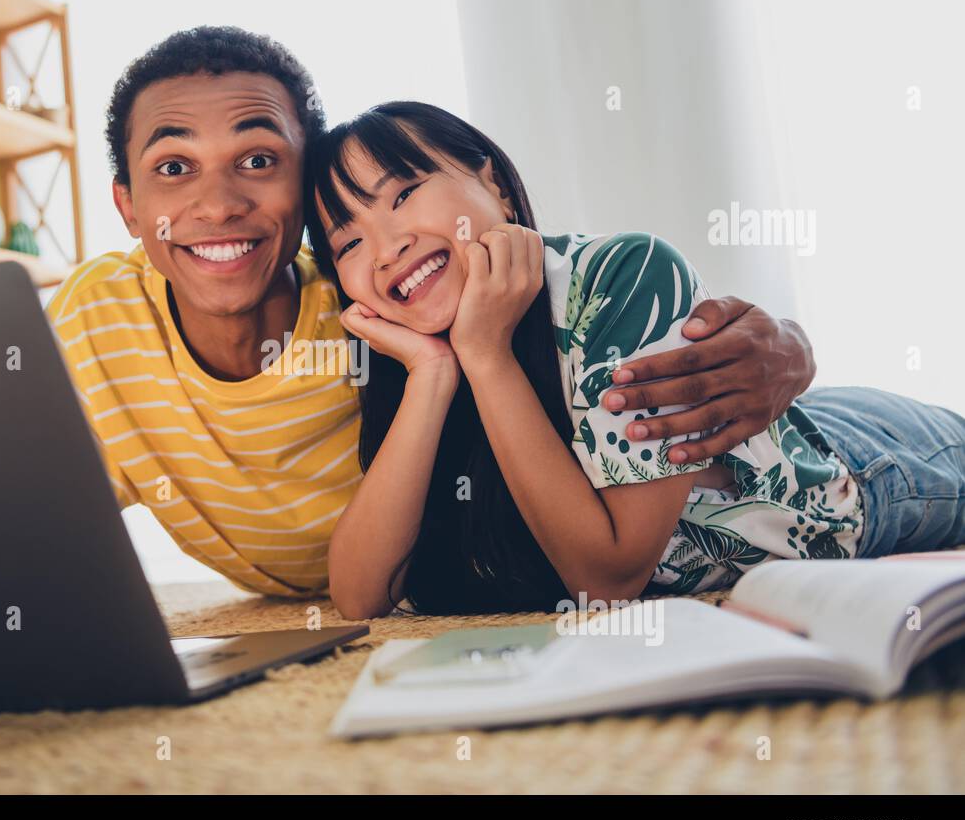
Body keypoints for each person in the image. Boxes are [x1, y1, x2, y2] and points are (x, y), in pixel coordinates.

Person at [46, 26, 820, 598]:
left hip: (833, 468)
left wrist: (788, 341)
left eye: (258, 160)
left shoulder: (367, 309)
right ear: (127, 204)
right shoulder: (388, 323)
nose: (218, 204)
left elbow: (609, 568)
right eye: (174, 168)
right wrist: (442, 366)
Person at [304, 100, 965, 618]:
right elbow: (360, 596)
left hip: (861, 466)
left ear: (494, 183)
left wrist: (485, 354)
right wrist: (434, 374)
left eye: (401, 195)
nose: (387, 246)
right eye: (349, 241)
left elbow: (608, 576)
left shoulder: (623, 276)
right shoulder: (413, 362)